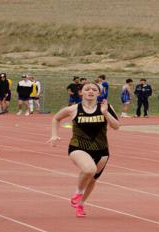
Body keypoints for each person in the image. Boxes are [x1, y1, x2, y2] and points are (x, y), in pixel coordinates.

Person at [48, 81, 120, 218]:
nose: (91, 91)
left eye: (94, 89)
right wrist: (54, 135)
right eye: (87, 89)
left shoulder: (106, 107)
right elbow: (56, 118)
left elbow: (116, 126)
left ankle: (81, 204)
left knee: (92, 179)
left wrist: (106, 113)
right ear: (81, 92)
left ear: (99, 93)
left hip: (102, 150)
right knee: (89, 169)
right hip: (78, 147)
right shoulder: (73, 109)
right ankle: (78, 193)